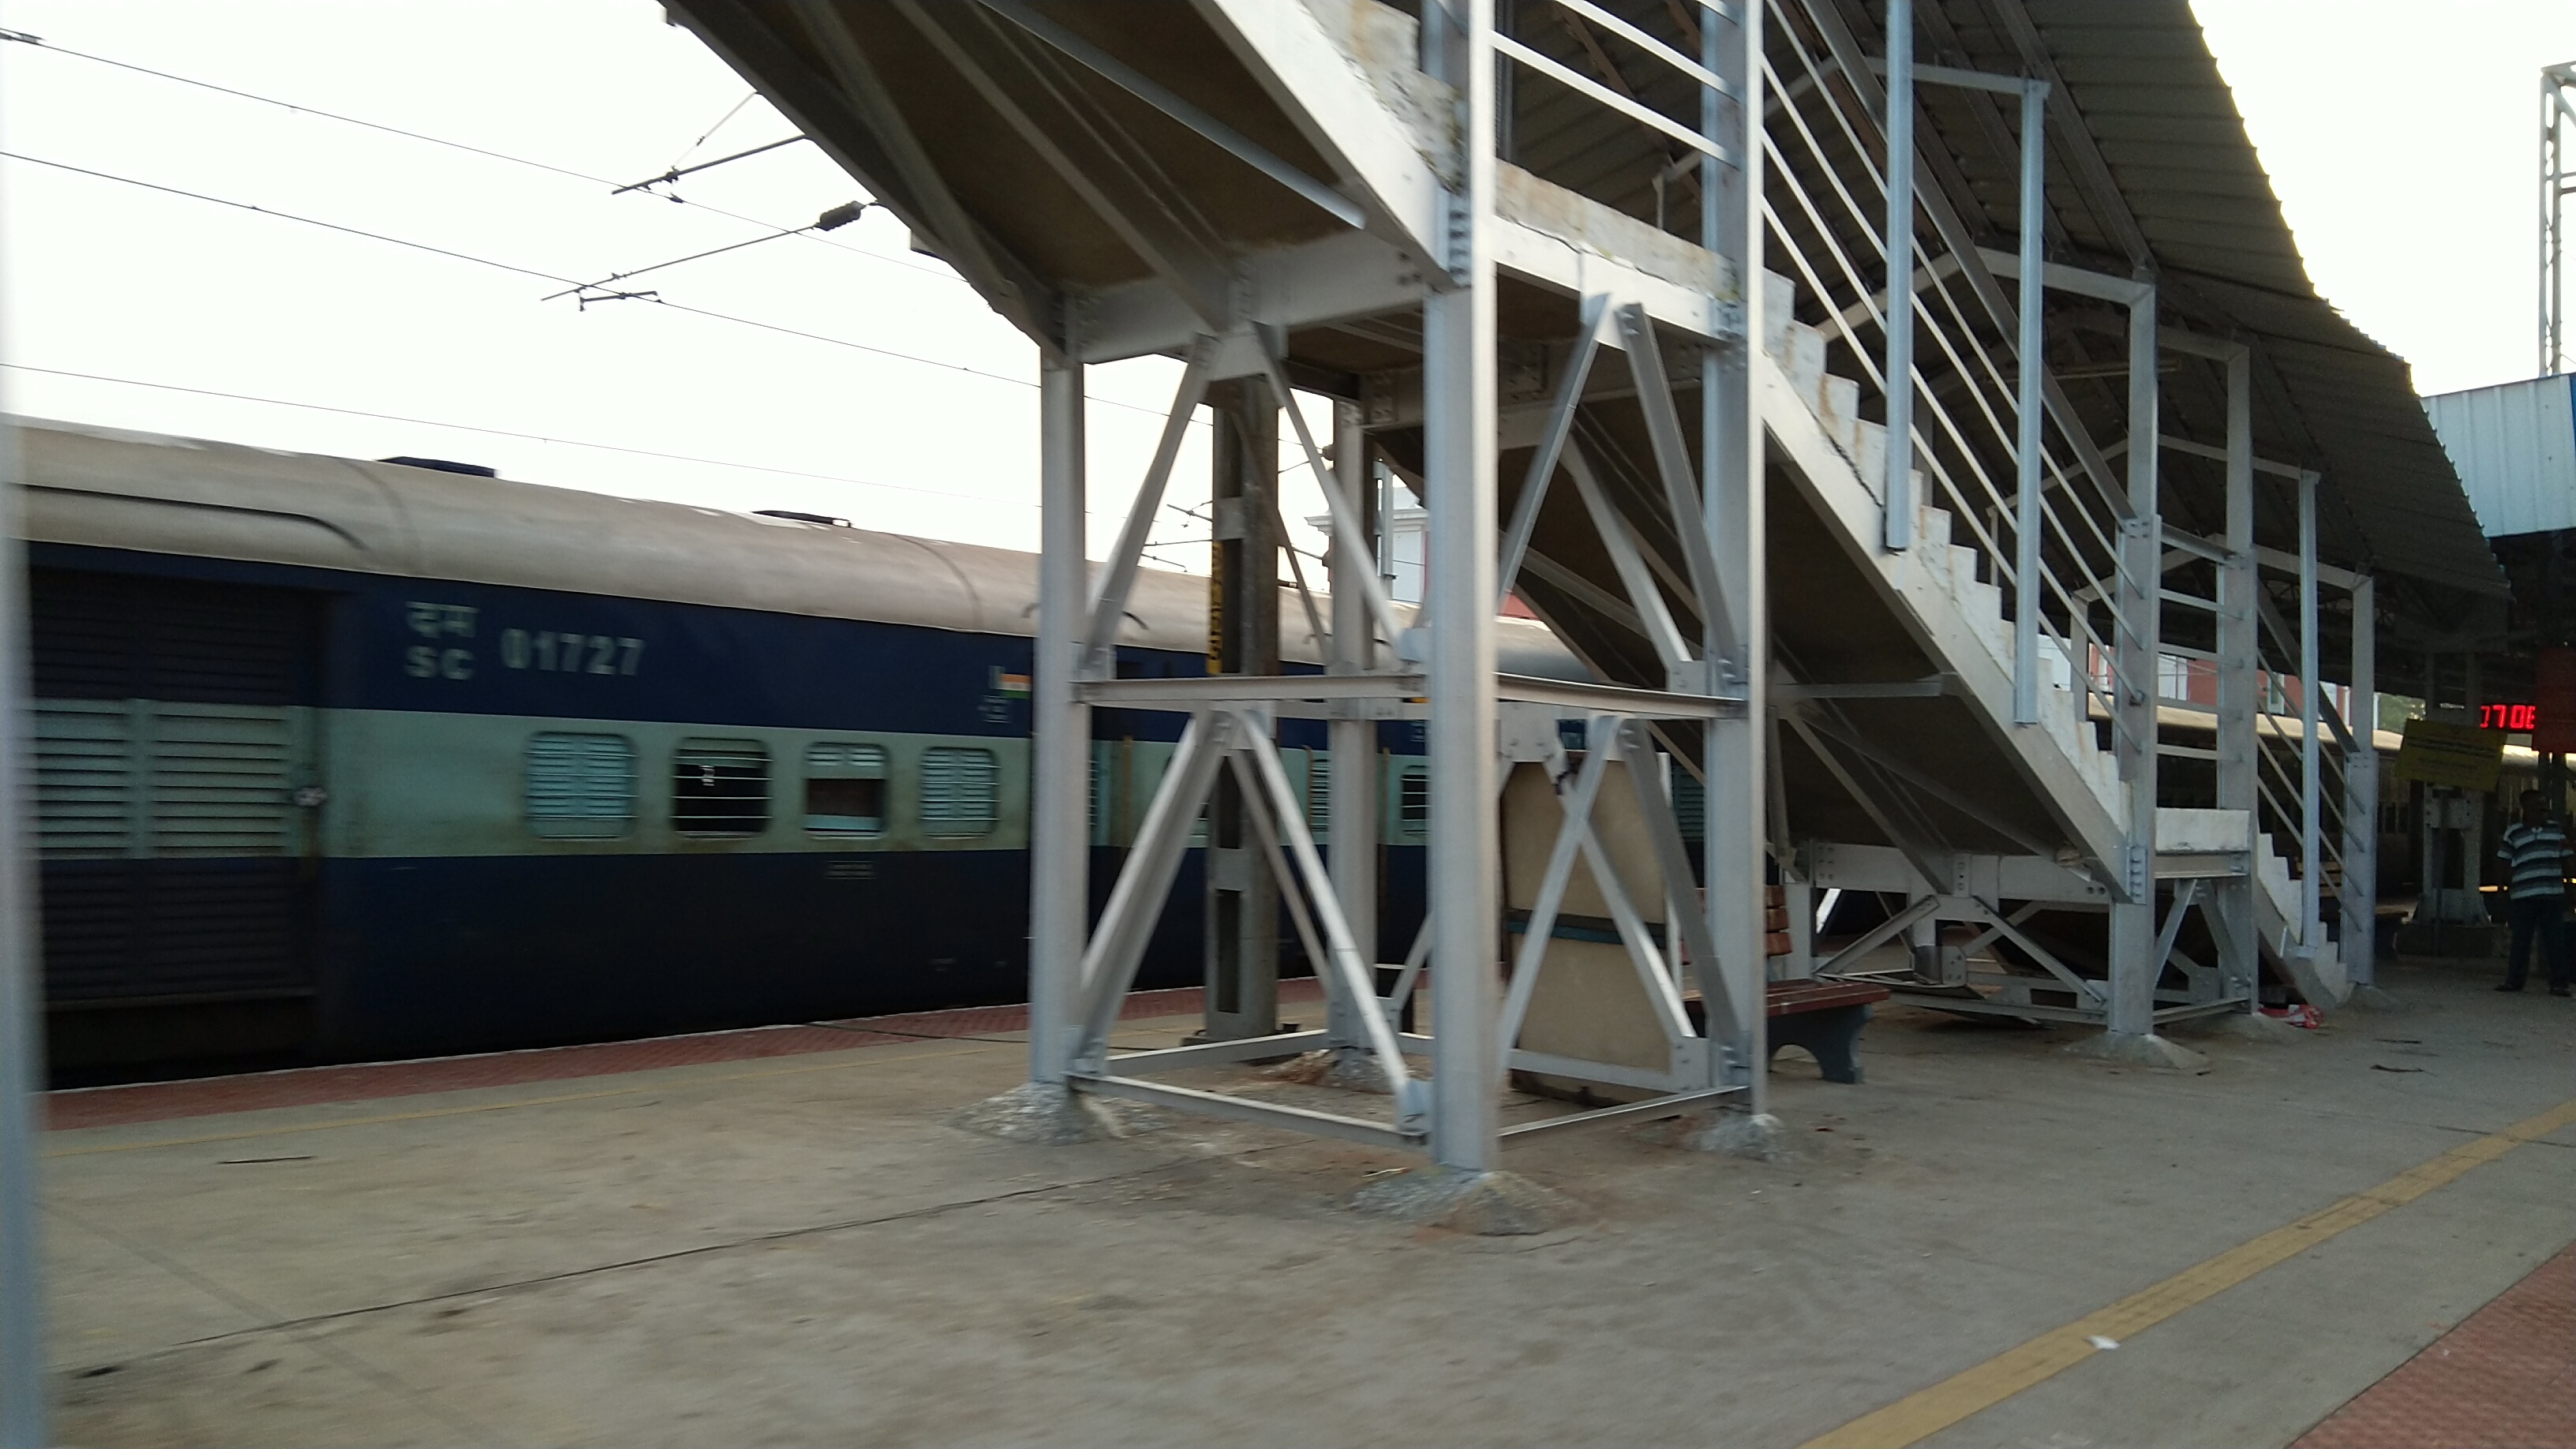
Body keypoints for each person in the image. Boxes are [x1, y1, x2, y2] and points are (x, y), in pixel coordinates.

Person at [2493, 789, 2574, 995]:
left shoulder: (2557, 832)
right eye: (2537, 807)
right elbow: (2503, 862)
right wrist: (2502, 889)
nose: (2542, 811)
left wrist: (2570, 887)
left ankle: (2559, 982)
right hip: (2523, 896)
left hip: (2552, 895)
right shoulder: (2513, 833)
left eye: (2544, 807)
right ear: (2526, 809)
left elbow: (2566, 861)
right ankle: (2514, 981)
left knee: (2555, 940)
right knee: (2521, 940)